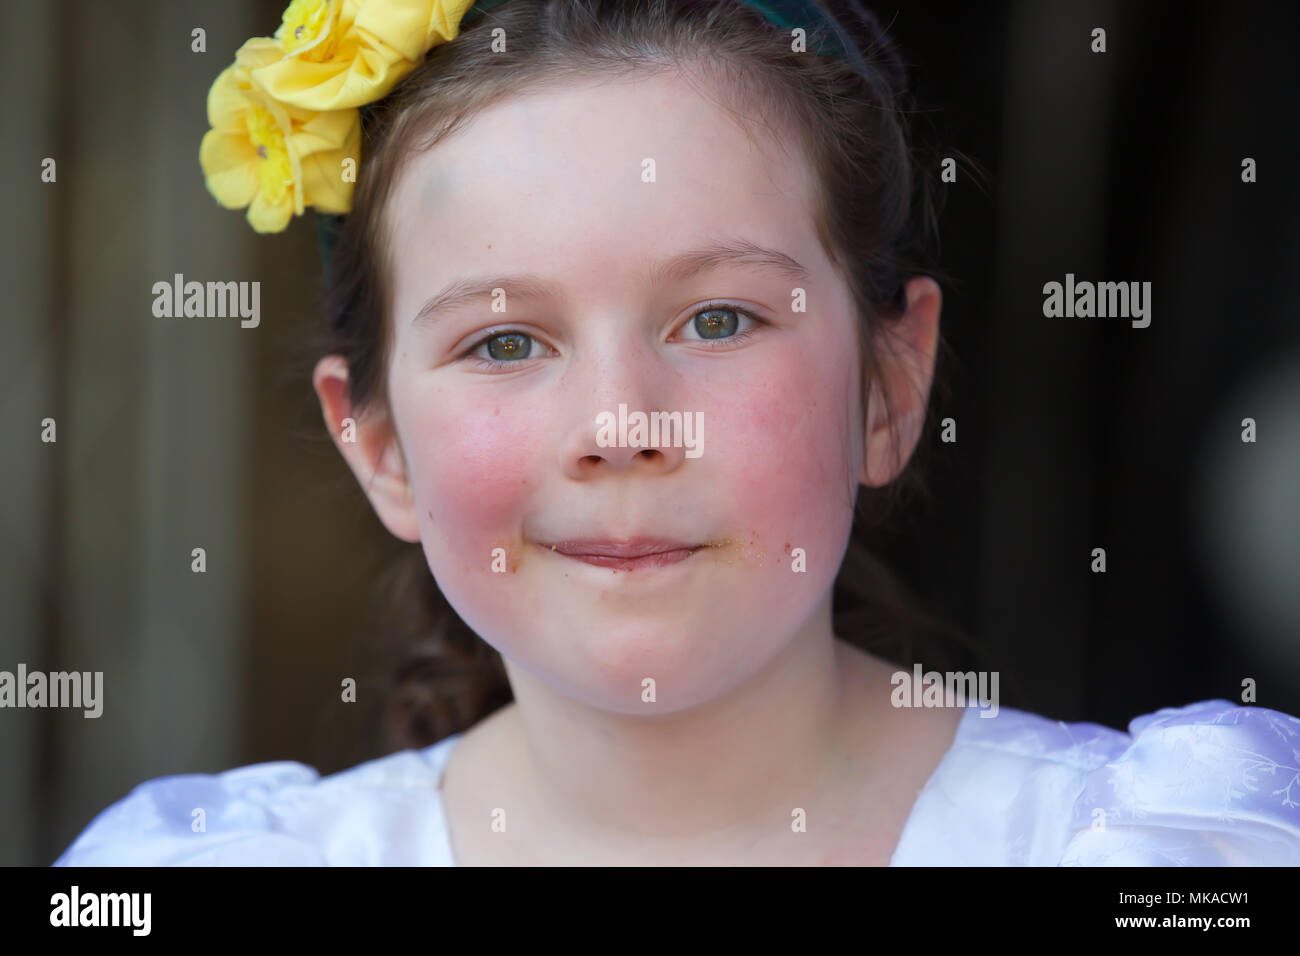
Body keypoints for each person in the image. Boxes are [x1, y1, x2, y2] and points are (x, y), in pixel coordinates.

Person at [53, 0, 1300, 866]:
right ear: (374, 442)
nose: (620, 424)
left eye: (717, 317)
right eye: (504, 341)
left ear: (889, 382)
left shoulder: (1164, 854)